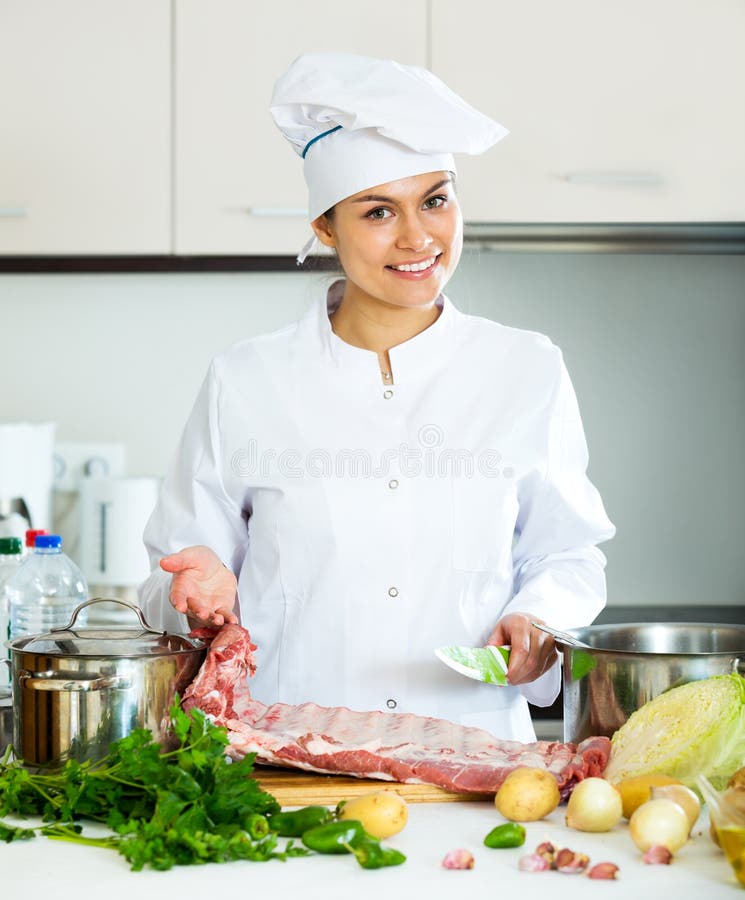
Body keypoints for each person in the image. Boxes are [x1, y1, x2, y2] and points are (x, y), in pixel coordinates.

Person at [139, 52, 615, 742]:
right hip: (284, 753)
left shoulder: (524, 368)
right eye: (376, 211)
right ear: (324, 228)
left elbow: (567, 553)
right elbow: (167, 589)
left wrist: (540, 615)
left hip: (472, 752)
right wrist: (193, 591)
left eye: (435, 200)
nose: (418, 237)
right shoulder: (247, 379)